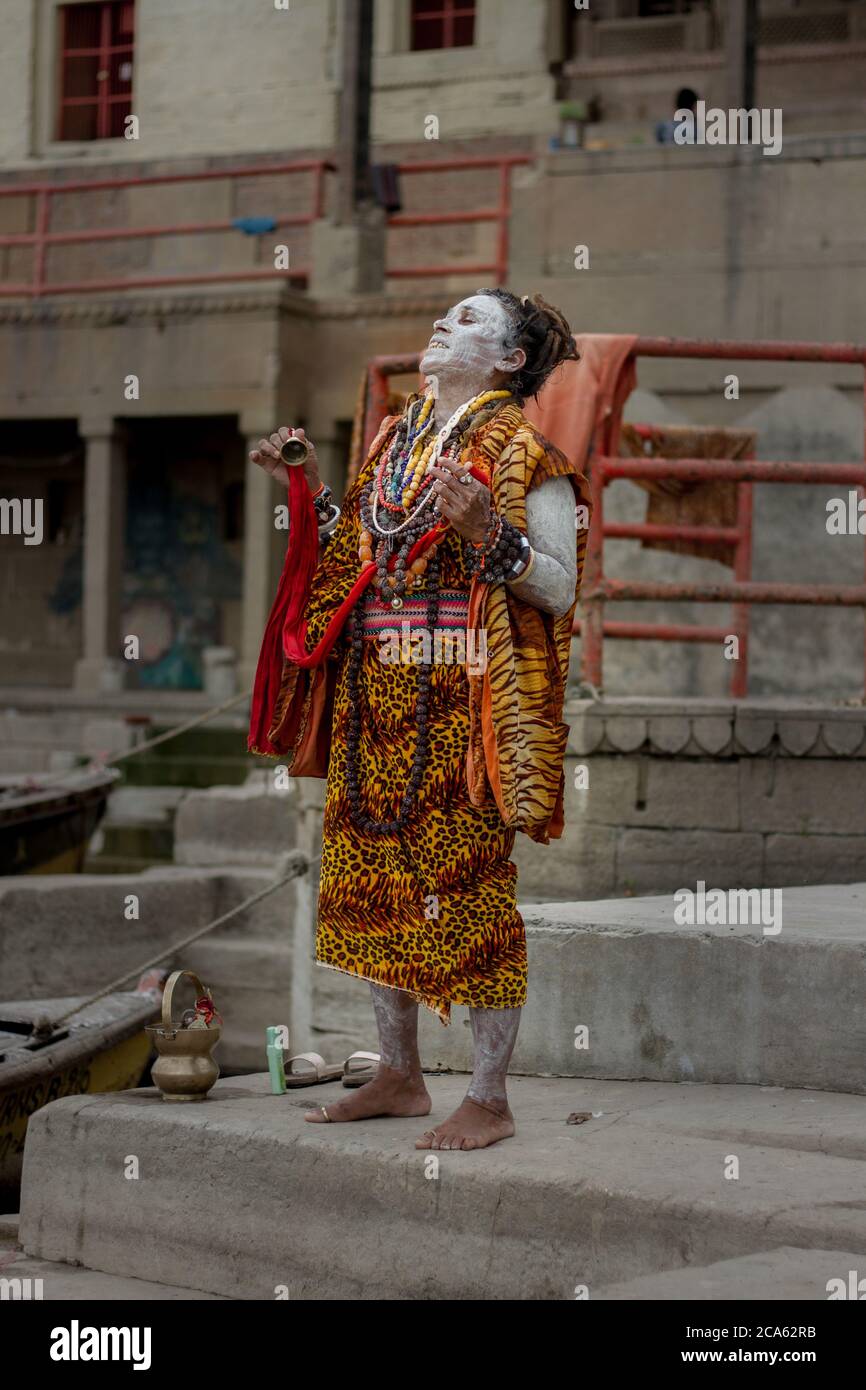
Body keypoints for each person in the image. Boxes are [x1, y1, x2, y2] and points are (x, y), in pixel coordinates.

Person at [249, 290, 589, 1151]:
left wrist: (485, 533)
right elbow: (358, 556)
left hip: (465, 703)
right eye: (446, 314)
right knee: (369, 885)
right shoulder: (396, 442)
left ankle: (489, 1096)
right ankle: (399, 1076)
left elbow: (557, 584)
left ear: (512, 362)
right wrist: (310, 483)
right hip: (374, 697)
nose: (446, 324)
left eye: (471, 320)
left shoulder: (526, 451)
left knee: (469, 892)